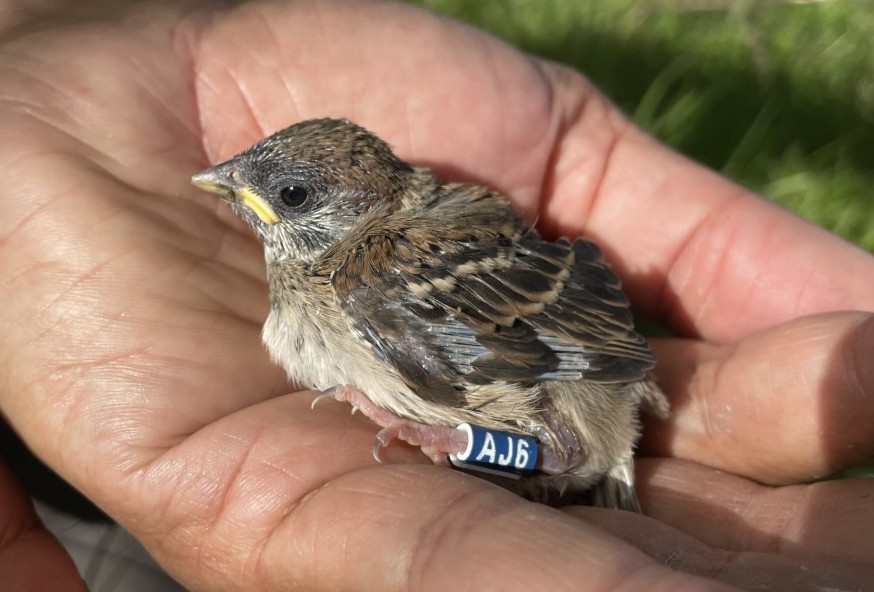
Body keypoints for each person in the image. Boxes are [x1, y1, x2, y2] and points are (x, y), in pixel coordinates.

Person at [1, 0, 872, 590]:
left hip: (571, 390)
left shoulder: (371, 273)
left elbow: (572, 381)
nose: (235, 189)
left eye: (291, 196)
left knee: (562, 463)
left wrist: (449, 433)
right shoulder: (337, 269)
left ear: (350, 209)